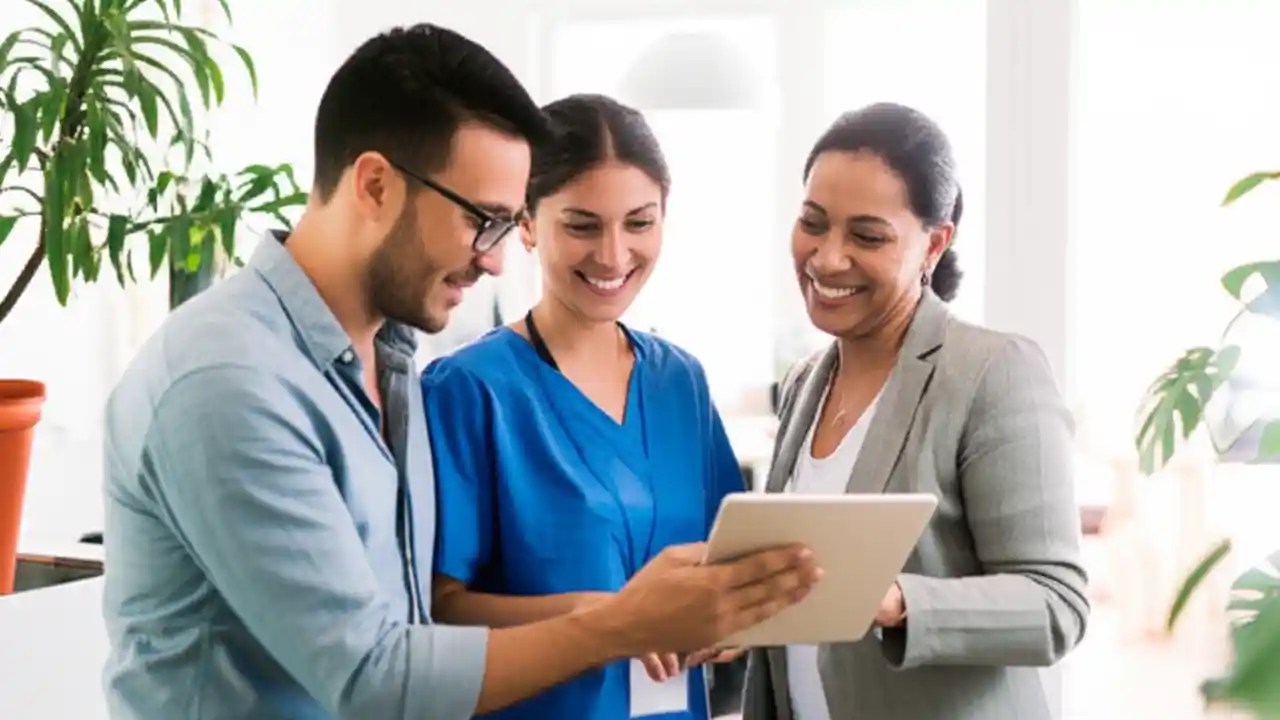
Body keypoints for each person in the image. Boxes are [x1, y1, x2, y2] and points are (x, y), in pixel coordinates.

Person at [100, 25, 820, 720]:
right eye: (484, 219)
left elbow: (413, 623)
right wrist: (620, 623)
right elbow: (374, 679)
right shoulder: (228, 382)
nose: (497, 260)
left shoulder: (390, 369)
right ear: (376, 186)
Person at [741, 102, 1090, 720]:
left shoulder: (991, 372)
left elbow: (1056, 603)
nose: (827, 257)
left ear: (934, 243)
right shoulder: (804, 383)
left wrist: (896, 601)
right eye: (813, 223)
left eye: (867, 236)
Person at [420, 92, 748, 720]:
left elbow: (727, 567)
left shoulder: (680, 382)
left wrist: (731, 623)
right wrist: (611, 619)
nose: (613, 255)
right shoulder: (469, 391)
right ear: (525, 223)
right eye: (582, 225)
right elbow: (439, 608)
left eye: (639, 223)